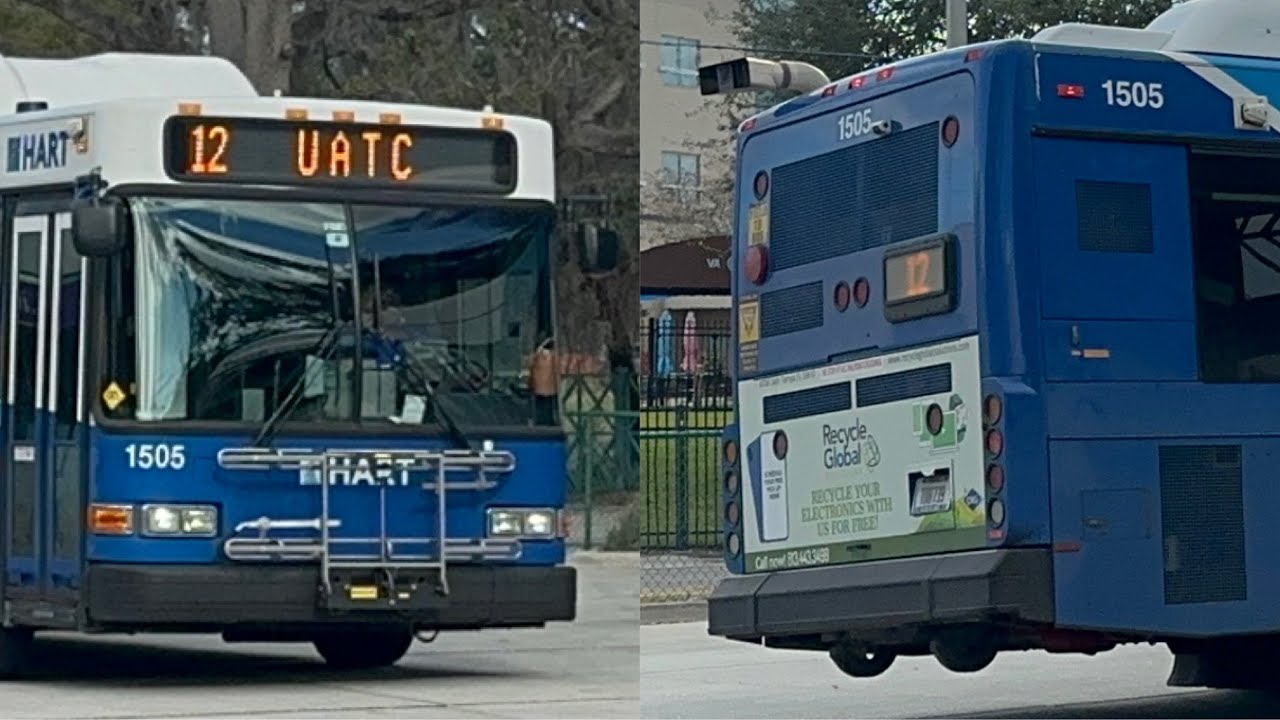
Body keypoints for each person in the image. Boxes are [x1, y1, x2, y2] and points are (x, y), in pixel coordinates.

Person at [529, 336, 559, 426]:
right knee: (550, 406)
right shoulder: (554, 356)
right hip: (551, 387)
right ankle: (550, 421)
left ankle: (539, 421)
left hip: (538, 387)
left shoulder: (537, 356)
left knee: (539, 405)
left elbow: (531, 365)